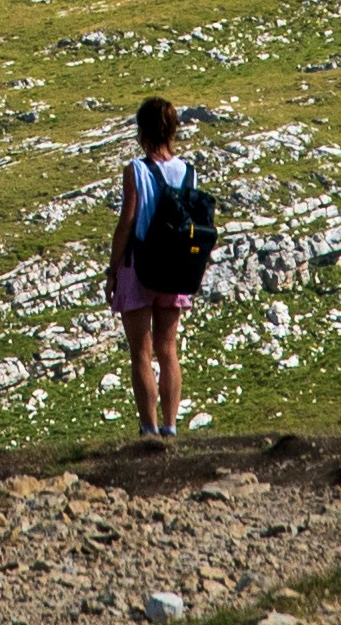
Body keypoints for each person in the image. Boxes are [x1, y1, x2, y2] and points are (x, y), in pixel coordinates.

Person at [109, 93, 217, 441]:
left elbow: (127, 221)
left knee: (140, 350)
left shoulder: (136, 171)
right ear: (172, 130)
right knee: (168, 349)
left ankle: (148, 429)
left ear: (141, 132)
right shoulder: (188, 172)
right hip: (175, 268)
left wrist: (112, 269)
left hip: (139, 266)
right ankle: (171, 426)